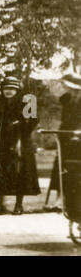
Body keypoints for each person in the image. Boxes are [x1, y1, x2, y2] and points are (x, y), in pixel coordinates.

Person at [0, 76, 40, 215]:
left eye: (12, 88)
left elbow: (33, 121)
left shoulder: (27, 101)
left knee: (19, 173)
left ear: (17, 90)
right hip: (2, 142)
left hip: (20, 141)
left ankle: (18, 205)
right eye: (6, 88)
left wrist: (19, 124)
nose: (8, 91)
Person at [44, 71, 81, 210]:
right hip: (65, 137)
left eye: (71, 87)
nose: (69, 89)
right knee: (60, 168)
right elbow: (56, 95)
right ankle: (59, 201)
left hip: (79, 139)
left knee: (75, 170)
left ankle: (70, 201)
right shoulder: (67, 99)